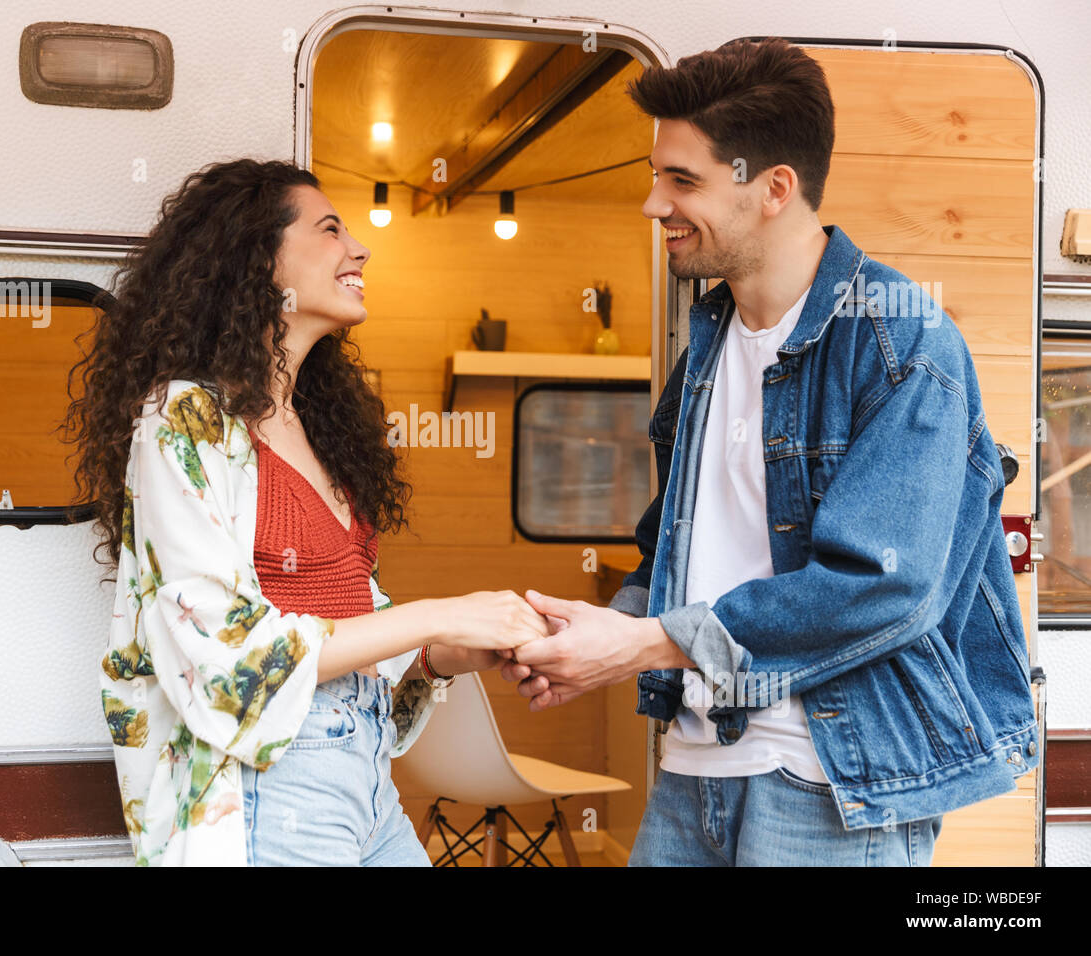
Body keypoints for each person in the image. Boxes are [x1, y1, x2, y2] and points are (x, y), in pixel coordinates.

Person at [498, 37, 1039, 866]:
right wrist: (597, 637)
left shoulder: (900, 338)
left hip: (829, 779)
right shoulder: (706, 348)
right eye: (656, 176)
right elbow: (678, 554)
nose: (654, 205)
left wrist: (642, 645)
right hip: (693, 765)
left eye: (683, 181)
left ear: (774, 189)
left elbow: (879, 586)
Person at [63, 158, 548, 866]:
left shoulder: (316, 423)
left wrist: (440, 659)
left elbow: (350, 613)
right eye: (330, 229)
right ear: (259, 260)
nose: (360, 249)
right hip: (274, 780)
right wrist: (440, 615)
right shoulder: (184, 417)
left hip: (367, 769)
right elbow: (220, 655)